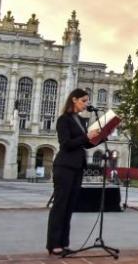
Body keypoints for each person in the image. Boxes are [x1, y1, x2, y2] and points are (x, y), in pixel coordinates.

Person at [46, 88, 101, 256]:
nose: (86, 104)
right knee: (60, 206)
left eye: (87, 101)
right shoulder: (64, 120)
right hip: (64, 167)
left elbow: (84, 144)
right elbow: (66, 144)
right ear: (74, 100)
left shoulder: (79, 120)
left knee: (69, 206)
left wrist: (100, 136)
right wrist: (86, 136)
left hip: (77, 167)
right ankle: (53, 243)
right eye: (84, 100)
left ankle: (63, 243)